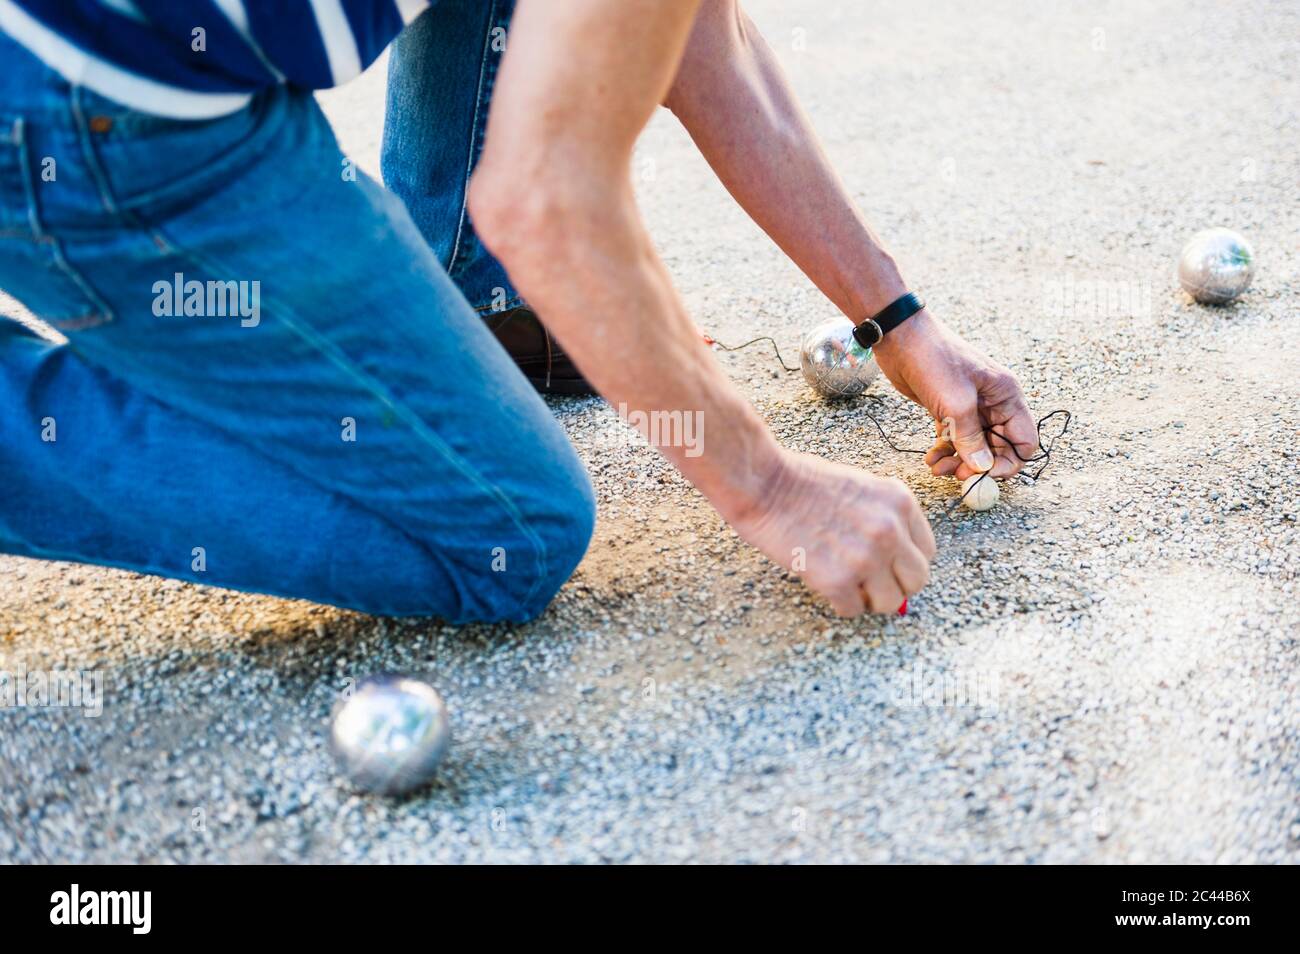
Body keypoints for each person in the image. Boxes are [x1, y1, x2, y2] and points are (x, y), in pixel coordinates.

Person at [0, 0, 1036, 622]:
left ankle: (471, 307)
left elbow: (686, 32)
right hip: (74, 102)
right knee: (506, 529)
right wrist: (768, 490)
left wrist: (896, 322)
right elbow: (545, 198)